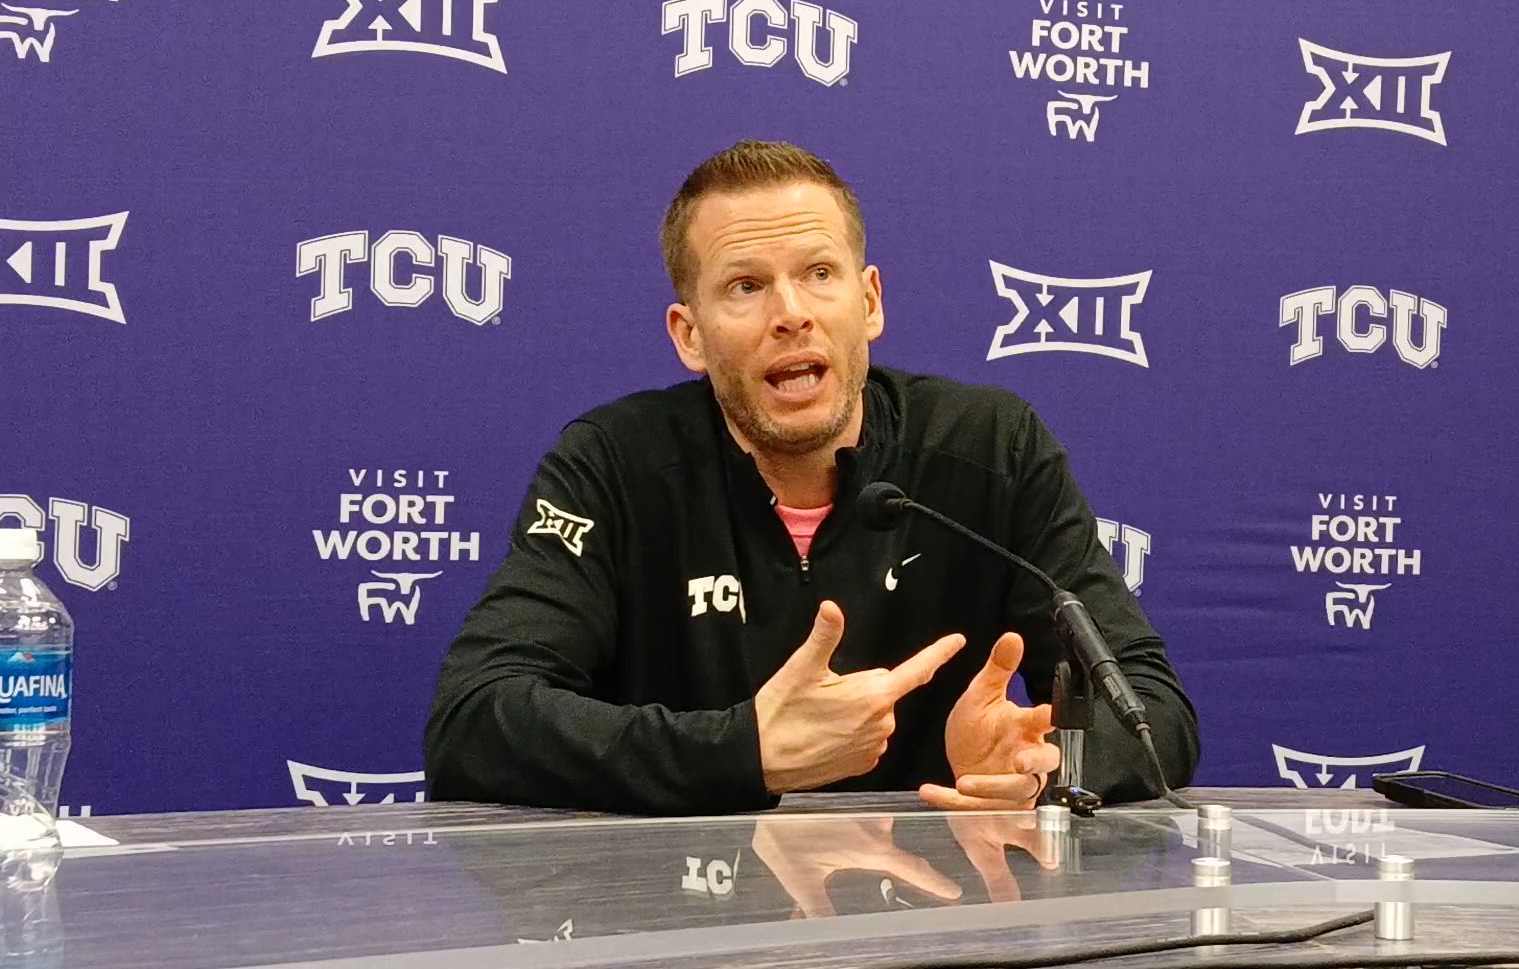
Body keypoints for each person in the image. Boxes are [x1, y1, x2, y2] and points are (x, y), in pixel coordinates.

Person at [423, 140, 1199, 815]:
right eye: (745, 286)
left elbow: (1151, 708)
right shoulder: (613, 464)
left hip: (933, 908)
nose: (790, 313)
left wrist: (1044, 767)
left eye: (819, 273)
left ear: (869, 302)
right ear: (690, 336)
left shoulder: (992, 447)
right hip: (680, 912)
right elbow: (475, 721)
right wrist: (744, 750)